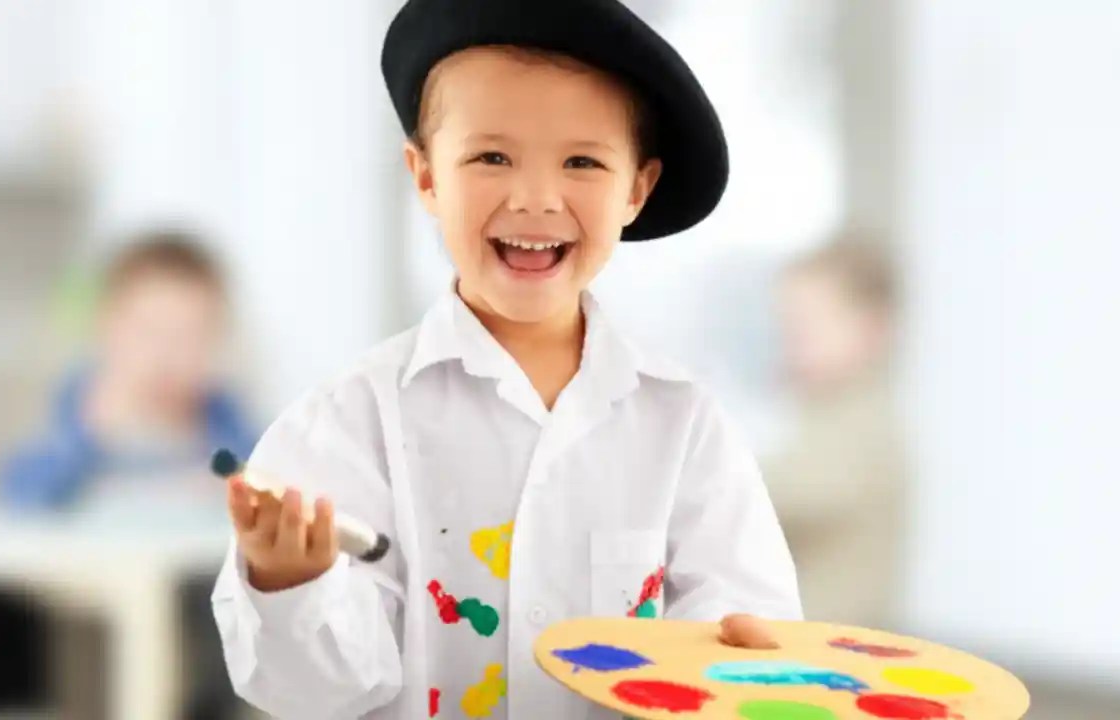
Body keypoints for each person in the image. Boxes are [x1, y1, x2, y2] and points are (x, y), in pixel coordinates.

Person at [211, 2, 801, 718]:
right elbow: (316, 692)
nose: (534, 198)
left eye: (582, 161)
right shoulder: (347, 422)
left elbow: (750, 626)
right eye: (491, 157)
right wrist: (286, 583)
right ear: (426, 176)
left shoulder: (684, 425)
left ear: (636, 190)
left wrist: (743, 656)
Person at [0, 231, 256, 720]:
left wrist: (235, 481)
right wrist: (89, 436)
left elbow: (271, 479)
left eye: (188, 337)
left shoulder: (219, 426)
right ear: (108, 333)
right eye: (148, 333)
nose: (165, 355)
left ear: (215, 343)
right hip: (92, 600)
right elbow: (19, 493)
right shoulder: (82, 418)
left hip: (191, 595)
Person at [763, 233, 907, 630]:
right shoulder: (819, 412)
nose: (791, 345)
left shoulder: (862, 423)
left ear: (870, 329)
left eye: (806, 327)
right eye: (786, 328)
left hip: (830, 657)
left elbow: (789, 492)